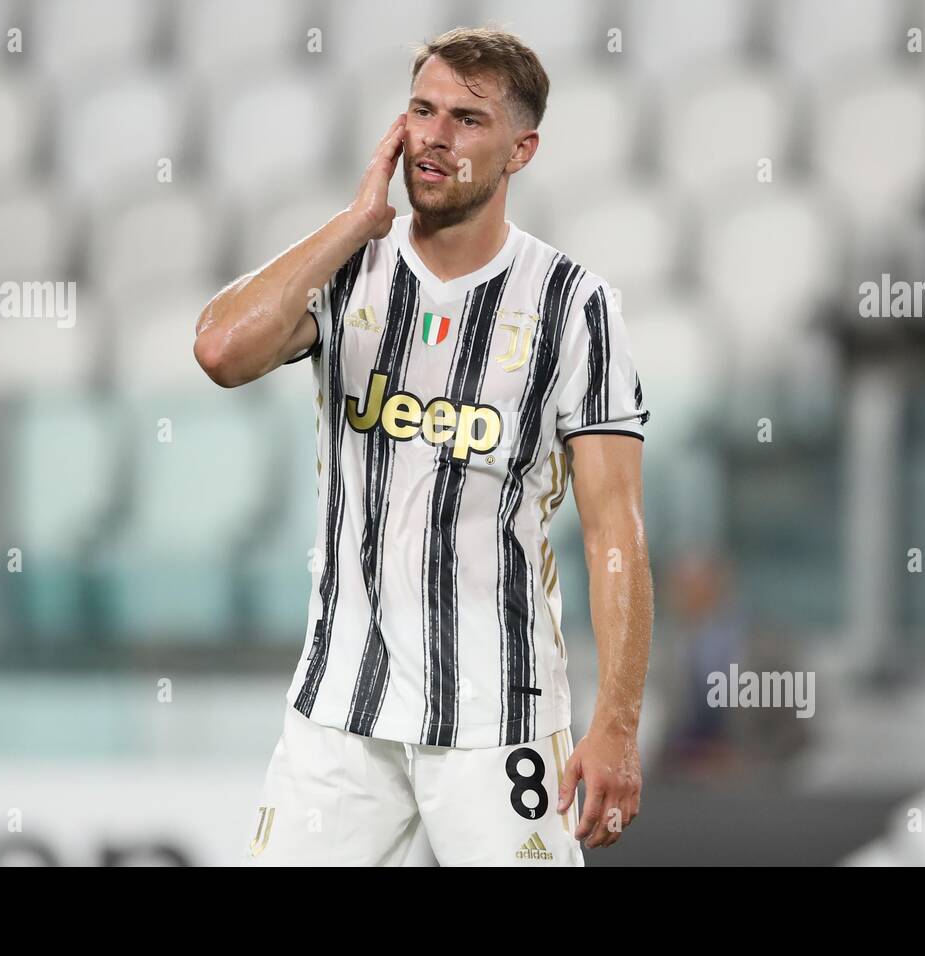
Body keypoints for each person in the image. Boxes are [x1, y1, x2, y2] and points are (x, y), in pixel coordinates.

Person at [196, 27, 652, 866]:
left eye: (468, 120)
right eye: (422, 110)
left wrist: (617, 723)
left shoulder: (572, 304)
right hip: (340, 714)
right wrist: (355, 221)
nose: (435, 137)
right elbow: (221, 351)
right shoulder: (346, 269)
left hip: (497, 720)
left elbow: (614, 528)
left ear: (523, 149)